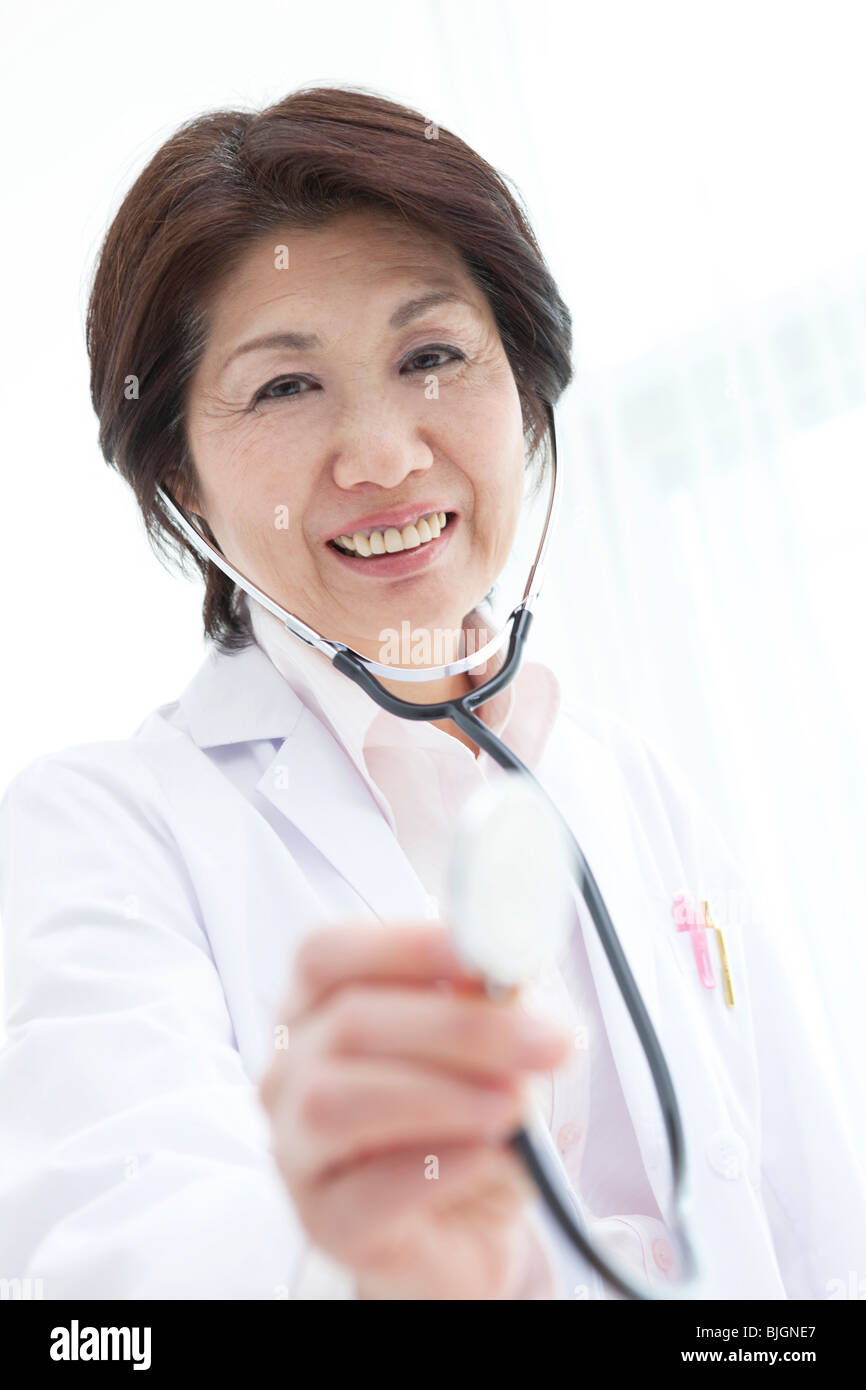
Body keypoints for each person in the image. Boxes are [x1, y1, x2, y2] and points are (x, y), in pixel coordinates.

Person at [0, 86, 863, 1301]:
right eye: (284, 387)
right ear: (182, 482)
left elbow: (813, 1231)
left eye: (431, 356)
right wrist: (346, 1258)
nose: (385, 456)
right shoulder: (101, 835)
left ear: (524, 391)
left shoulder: (629, 782)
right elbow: (111, 1273)